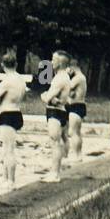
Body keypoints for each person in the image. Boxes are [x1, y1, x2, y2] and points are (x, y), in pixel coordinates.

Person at [0, 51, 28, 190]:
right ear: (16, 64)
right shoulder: (20, 80)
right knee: (7, 149)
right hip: (16, 111)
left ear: (2, 65)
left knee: (8, 149)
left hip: (7, 114)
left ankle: (11, 181)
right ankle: (5, 179)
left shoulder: (7, 81)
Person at [39, 50, 72, 183]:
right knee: (57, 142)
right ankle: (55, 172)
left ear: (60, 62)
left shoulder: (59, 78)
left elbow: (47, 97)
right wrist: (51, 98)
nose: (51, 62)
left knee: (55, 143)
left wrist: (45, 96)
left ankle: (55, 174)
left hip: (55, 112)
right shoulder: (65, 77)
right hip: (60, 111)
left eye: (53, 60)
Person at [65, 55, 89, 163]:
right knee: (77, 132)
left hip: (75, 106)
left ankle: (75, 154)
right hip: (79, 105)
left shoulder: (78, 78)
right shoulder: (82, 77)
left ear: (72, 67)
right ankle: (78, 154)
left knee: (73, 132)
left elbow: (66, 87)